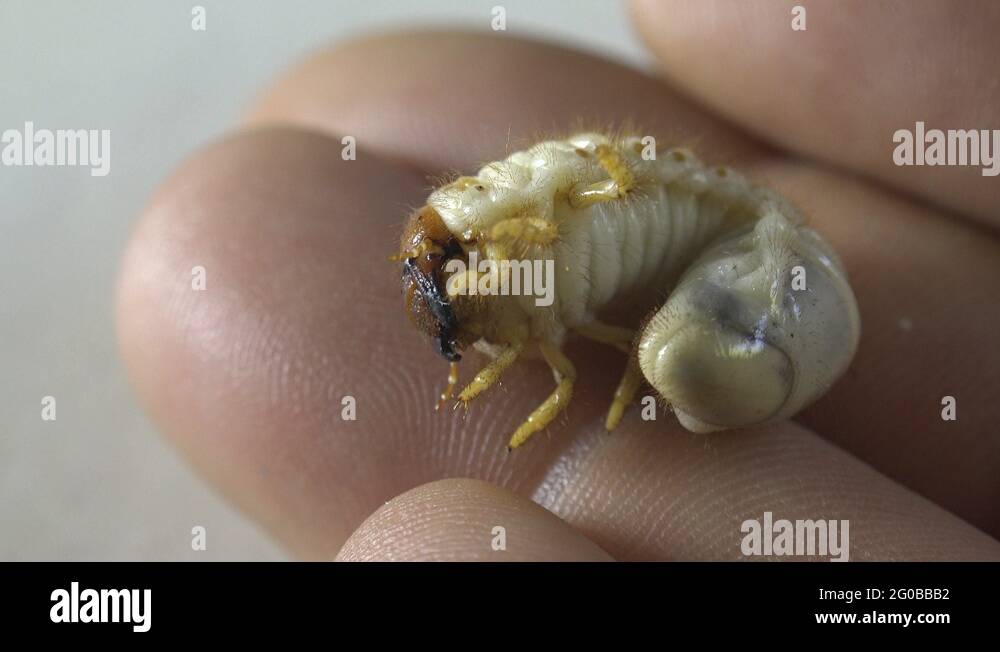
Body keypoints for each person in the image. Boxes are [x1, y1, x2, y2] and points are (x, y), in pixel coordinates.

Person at [116, 1, 1000, 561]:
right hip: (667, 220)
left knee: (670, 352)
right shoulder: (519, 246)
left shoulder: (723, 241)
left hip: (717, 228)